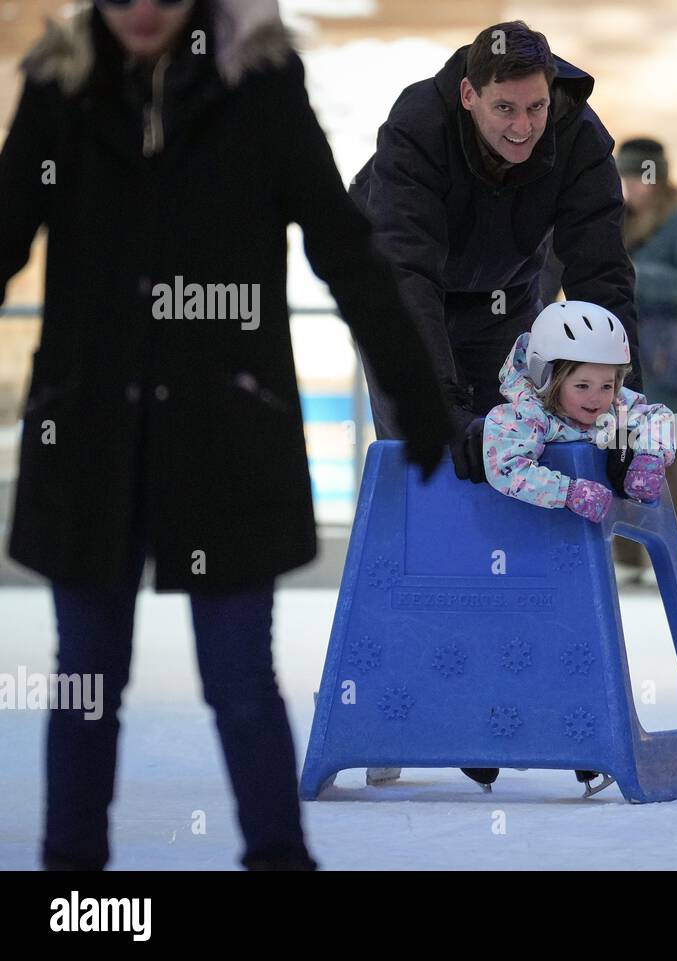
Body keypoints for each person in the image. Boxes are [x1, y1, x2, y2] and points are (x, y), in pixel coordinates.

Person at [0, 0, 451, 870]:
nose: (141, 13)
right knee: (86, 680)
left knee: (240, 676)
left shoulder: (260, 86)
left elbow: (342, 243)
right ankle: (71, 881)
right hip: (91, 433)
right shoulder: (63, 87)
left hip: (224, 435)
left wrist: (415, 389)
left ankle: (278, 857)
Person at [350, 20, 639, 485]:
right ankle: (422, 555)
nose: (523, 127)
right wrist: (440, 408)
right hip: (398, 291)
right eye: (505, 107)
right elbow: (406, 270)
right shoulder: (419, 123)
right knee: (430, 451)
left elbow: (601, 273)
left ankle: (513, 557)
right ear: (469, 95)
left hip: (505, 297)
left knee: (519, 445)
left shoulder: (579, 137)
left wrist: (625, 410)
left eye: (536, 107)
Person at [480, 300, 676, 795]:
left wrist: (651, 454)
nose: (598, 398)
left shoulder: (614, 407)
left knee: (579, 649)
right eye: (582, 385)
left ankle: (586, 744)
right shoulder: (521, 415)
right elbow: (504, 465)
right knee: (512, 648)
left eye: (608, 384)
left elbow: (659, 415)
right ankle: (482, 744)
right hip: (513, 560)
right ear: (550, 379)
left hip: (575, 565)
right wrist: (566, 489)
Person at [613, 138, 677, 581]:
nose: (632, 187)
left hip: (667, 353)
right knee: (619, 444)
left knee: (667, 450)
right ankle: (628, 556)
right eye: (625, 178)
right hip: (624, 351)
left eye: (638, 177)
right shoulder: (620, 217)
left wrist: (636, 277)